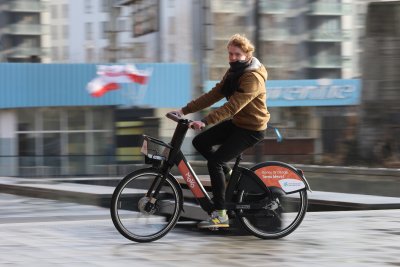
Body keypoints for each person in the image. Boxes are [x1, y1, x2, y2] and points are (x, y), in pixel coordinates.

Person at [173, 34, 270, 228]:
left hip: (252, 129)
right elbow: (214, 94)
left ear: (247, 54)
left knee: (215, 162)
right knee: (199, 142)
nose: (232, 58)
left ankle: (221, 213)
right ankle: (227, 172)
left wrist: (205, 121)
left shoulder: (253, 77)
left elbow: (232, 107)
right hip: (238, 123)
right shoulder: (234, 72)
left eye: (237, 54)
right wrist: (184, 110)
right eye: (230, 54)